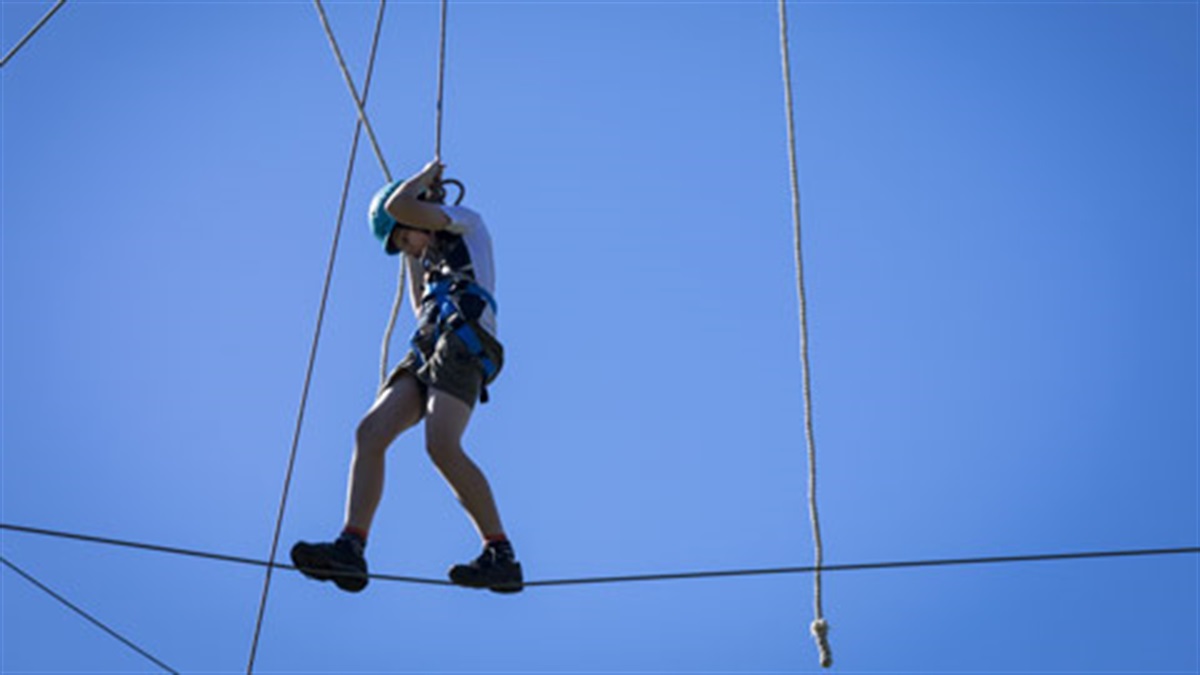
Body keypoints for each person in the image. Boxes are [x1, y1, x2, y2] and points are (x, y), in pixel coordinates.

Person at [290, 159, 521, 594]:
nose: (408, 249)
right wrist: (414, 247)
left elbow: (401, 206)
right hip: (429, 346)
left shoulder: (468, 225)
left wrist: (421, 183)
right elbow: (419, 306)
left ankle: (500, 553)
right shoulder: (429, 259)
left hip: (463, 343)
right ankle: (350, 547)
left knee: (441, 444)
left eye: (404, 237)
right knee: (371, 432)